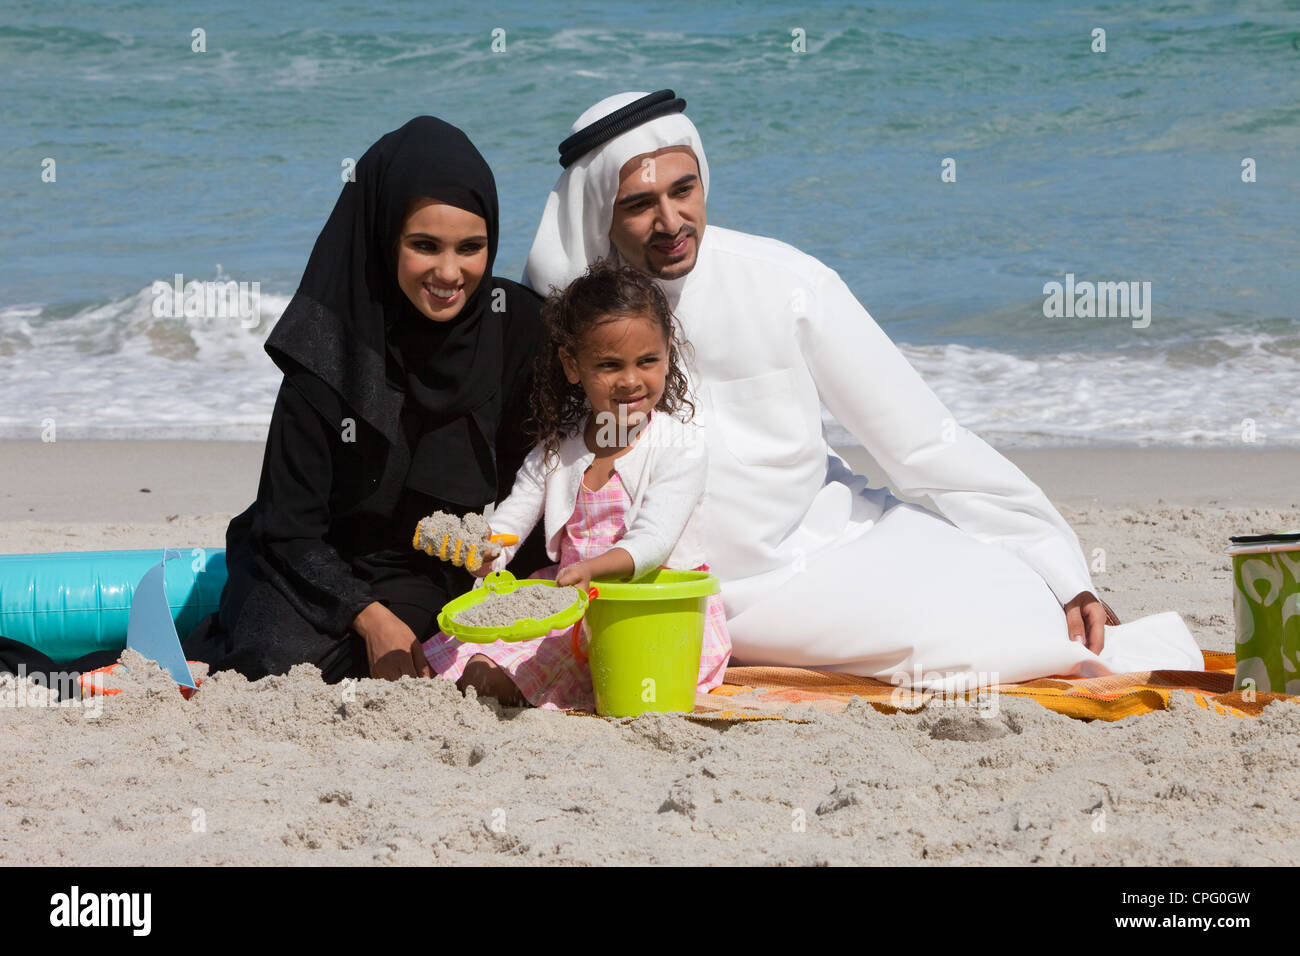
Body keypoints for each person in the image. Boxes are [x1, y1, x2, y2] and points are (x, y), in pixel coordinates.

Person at [521, 90, 1202, 689]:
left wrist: (1058, 563)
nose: (671, 221)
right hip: (712, 587)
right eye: (640, 204)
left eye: (684, 190)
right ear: (602, 211)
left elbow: (921, 442)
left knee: (1021, 596)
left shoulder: (783, 279)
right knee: (993, 638)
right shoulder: (569, 318)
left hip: (821, 541)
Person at [183, 116, 549, 683]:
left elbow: (545, 473)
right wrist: (367, 615)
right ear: (384, 238)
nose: (450, 273)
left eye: (471, 248)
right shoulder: (330, 342)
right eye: (424, 246)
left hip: (432, 576)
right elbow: (288, 527)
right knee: (275, 664)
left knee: (394, 667)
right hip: (308, 562)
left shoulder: (519, 327)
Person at [422, 260, 731, 709]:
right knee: (454, 651)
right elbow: (514, 514)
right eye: (609, 365)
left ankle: (506, 685)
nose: (630, 380)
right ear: (572, 364)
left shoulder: (678, 446)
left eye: (648, 361)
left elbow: (654, 542)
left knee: (515, 674)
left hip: (650, 606)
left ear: (668, 354)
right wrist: (488, 550)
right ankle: (491, 678)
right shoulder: (560, 446)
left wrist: (591, 570)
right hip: (572, 598)